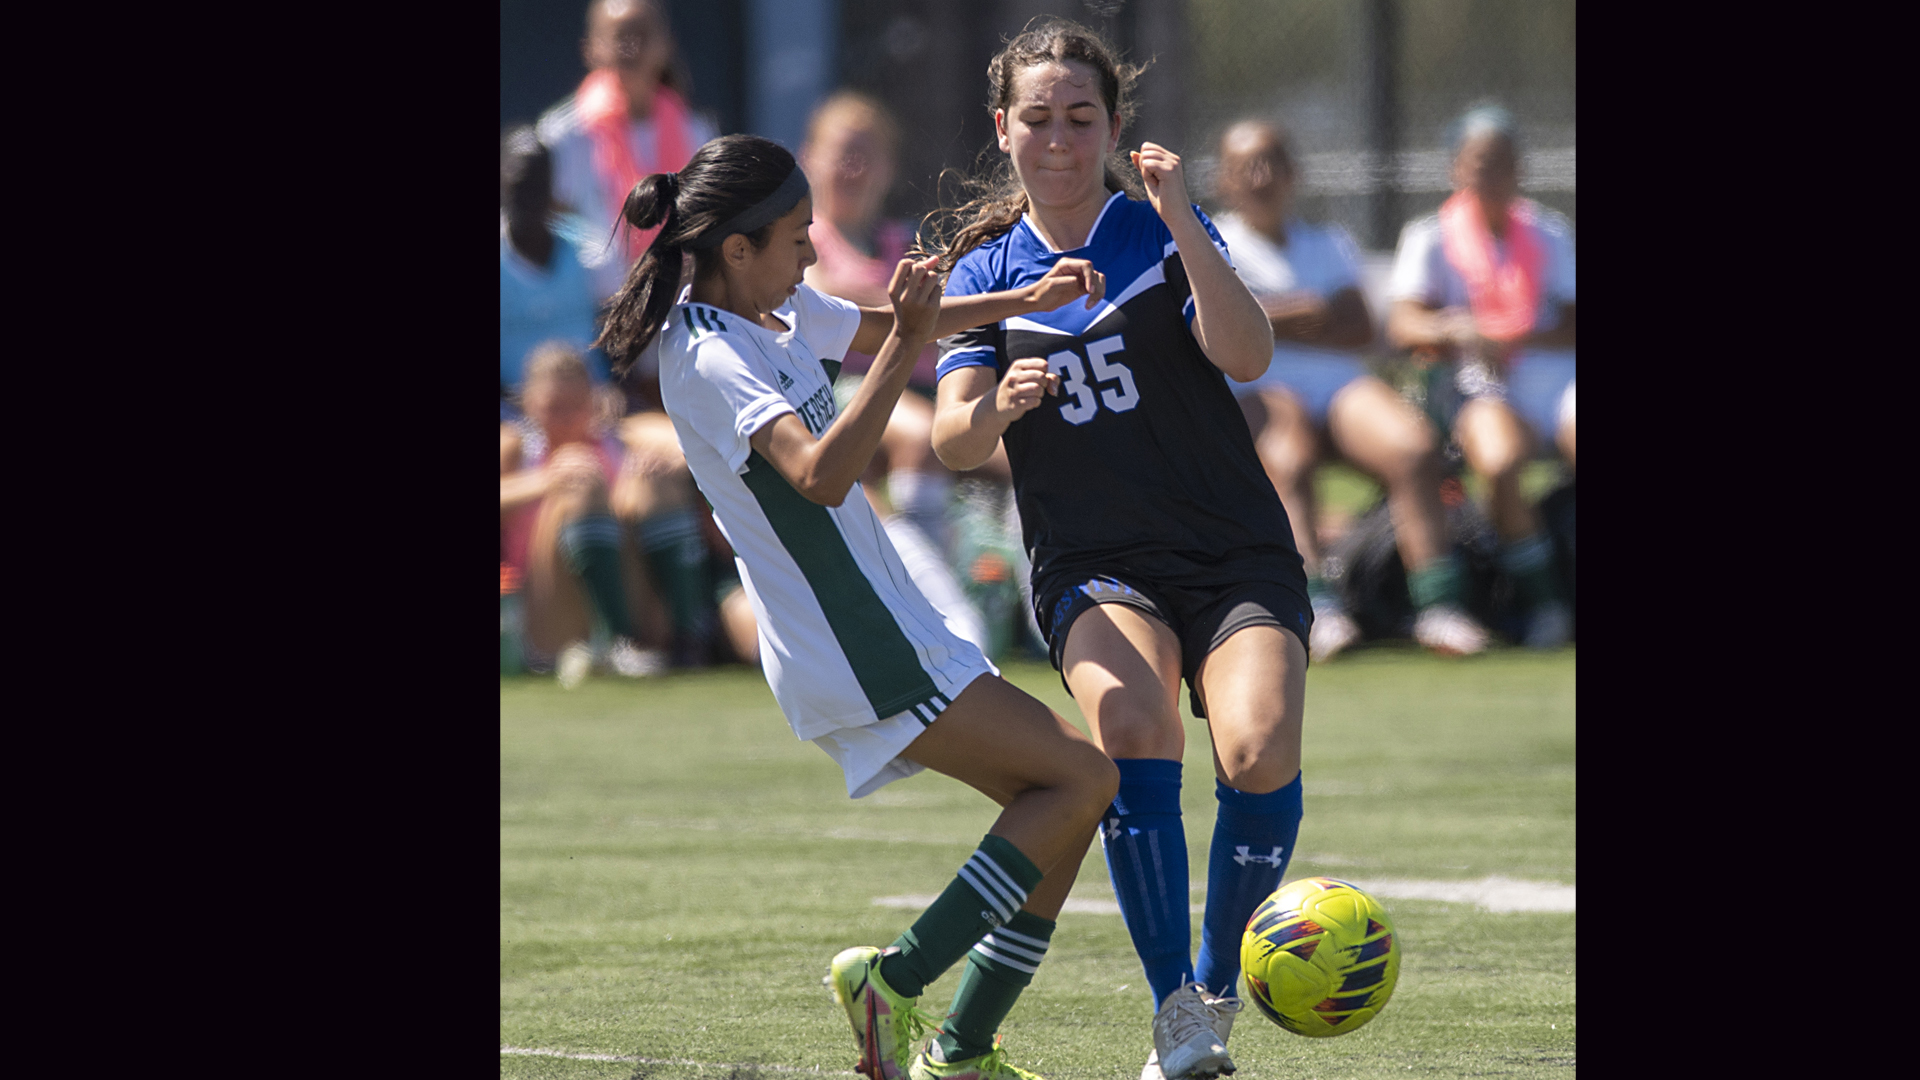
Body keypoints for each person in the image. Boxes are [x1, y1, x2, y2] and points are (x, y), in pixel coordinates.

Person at [593, 132, 1122, 1080]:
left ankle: (961, 1050)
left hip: (883, 622)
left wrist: (1022, 301)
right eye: (796, 236)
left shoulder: (777, 309)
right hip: (852, 639)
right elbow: (823, 476)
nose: (810, 252)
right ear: (736, 248)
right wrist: (917, 341)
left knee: (1061, 808)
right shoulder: (712, 358)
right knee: (1083, 778)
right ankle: (896, 983)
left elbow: (880, 327)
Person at [926, 20, 1308, 1080]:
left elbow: (1246, 351)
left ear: (1114, 127)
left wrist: (1184, 216)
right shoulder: (988, 270)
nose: (1057, 138)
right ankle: (1174, 1014)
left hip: (1230, 548)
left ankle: (1218, 987)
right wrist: (995, 404)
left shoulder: (1157, 232)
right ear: (1003, 129)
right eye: (1037, 118)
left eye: (1079, 118)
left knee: (1259, 747)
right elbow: (949, 438)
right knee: (1133, 728)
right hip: (1095, 560)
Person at [1209, 119, 1488, 659]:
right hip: (1259, 389)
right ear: (1225, 179)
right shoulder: (1210, 241)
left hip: (1338, 387)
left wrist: (1263, 316)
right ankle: (1319, 608)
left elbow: (1361, 328)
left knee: (1414, 447)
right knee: (1288, 459)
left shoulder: (1328, 242)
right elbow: (1215, 326)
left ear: (1294, 173)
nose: (1261, 177)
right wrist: (1304, 312)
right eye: (1246, 167)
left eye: (1272, 162)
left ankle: (1438, 607)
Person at [798, 90, 1024, 657]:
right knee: (921, 435)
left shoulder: (903, 241)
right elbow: (830, 303)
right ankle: (927, 607)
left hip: (922, 389)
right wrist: (914, 309)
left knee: (1026, 449)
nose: (853, 167)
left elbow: (937, 315)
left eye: (867, 153)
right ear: (810, 158)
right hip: (839, 393)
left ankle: (1028, 605)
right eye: (841, 151)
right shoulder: (806, 239)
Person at [1385, 104, 1576, 648]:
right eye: (1478, 162)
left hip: (1553, 378)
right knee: (1500, 461)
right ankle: (1543, 602)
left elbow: (1571, 319)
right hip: (1478, 383)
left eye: (1502, 162)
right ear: (1455, 169)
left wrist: (1513, 336)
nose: (1490, 174)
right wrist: (1460, 330)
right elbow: (1403, 324)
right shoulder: (1429, 236)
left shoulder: (1548, 230)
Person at [500, 343, 668, 684]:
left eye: (576, 406)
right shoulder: (516, 445)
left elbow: (679, 436)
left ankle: (682, 640)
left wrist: (640, 478)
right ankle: (616, 642)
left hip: (627, 575)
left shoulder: (614, 439)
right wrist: (549, 481)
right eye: (553, 408)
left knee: (656, 485)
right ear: (529, 404)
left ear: (594, 401)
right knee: (582, 484)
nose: (566, 418)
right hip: (542, 602)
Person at [538, 0, 718, 305]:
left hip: (677, 303)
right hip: (593, 310)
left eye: (642, 34)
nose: (631, 46)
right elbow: (548, 225)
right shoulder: (562, 134)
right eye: (619, 36)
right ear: (590, 48)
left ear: (667, 45)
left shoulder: (696, 131)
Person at [501, 127, 609, 405]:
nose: (530, 198)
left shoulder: (592, 252)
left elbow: (621, 339)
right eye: (520, 185)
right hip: (510, 417)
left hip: (595, 412)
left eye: (539, 185)